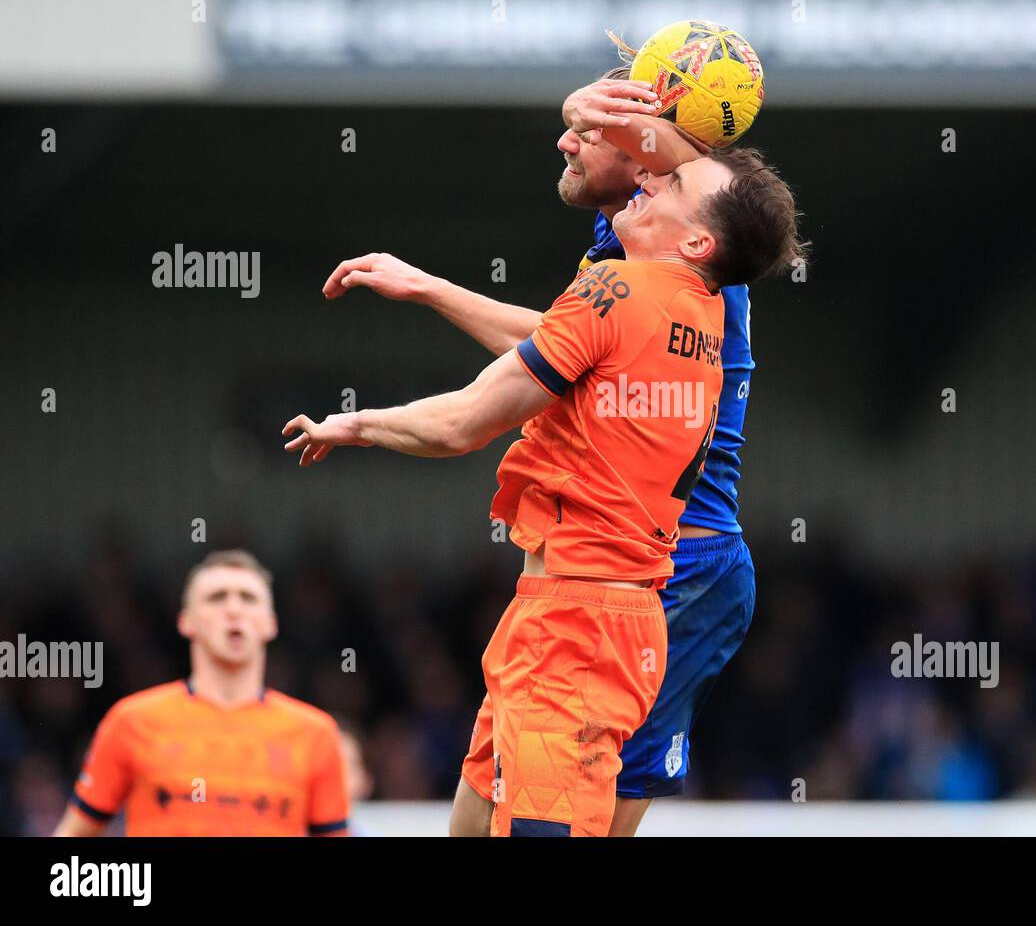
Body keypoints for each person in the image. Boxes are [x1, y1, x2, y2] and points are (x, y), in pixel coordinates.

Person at [284, 146, 803, 835]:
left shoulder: (615, 291)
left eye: (672, 180)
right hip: (608, 616)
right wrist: (432, 289)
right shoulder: (700, 315)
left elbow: (463, 424)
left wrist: (355, 424)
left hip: (575, 630)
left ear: (699, 240)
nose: (647, 178)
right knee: (471, 826)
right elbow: (561, 339)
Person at [53, 550, 350, 836]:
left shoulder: (316, 734)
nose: (233, 610)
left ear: (270, 623)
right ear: (186, 621)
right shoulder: (131, 722)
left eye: (248, 598)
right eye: (216, 598)